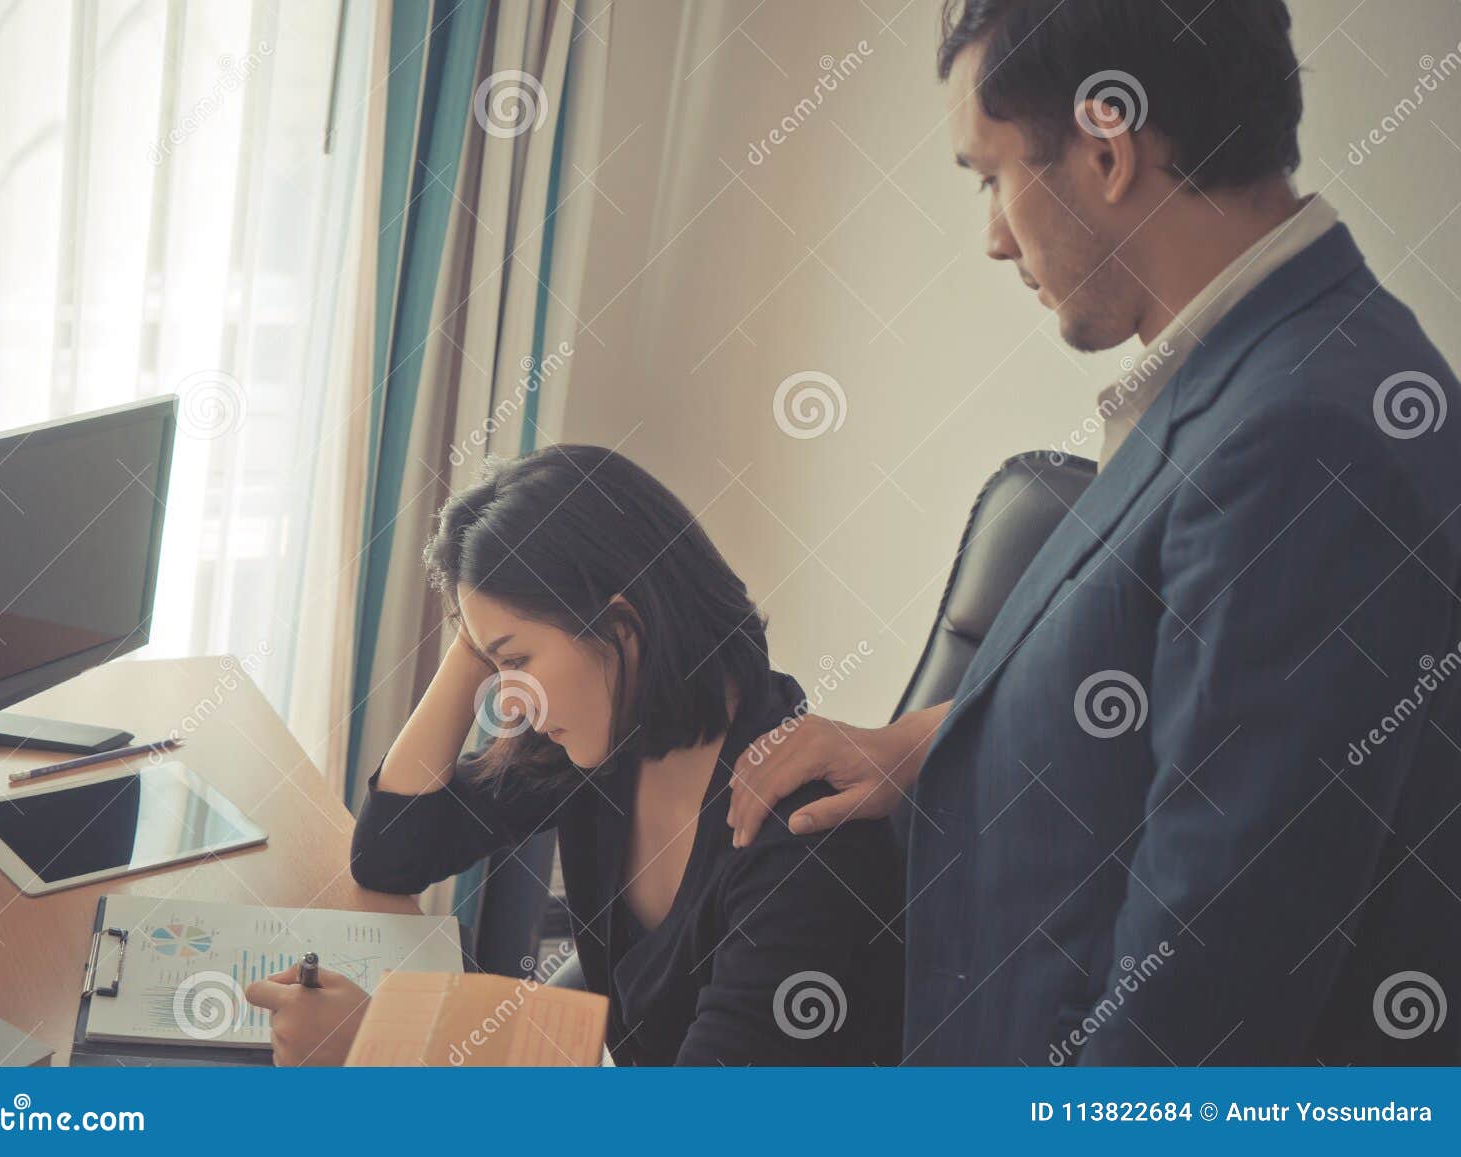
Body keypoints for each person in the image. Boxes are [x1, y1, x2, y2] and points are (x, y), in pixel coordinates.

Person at [729, 0, 1461, 1064]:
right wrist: (928, 745)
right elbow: (1175, 702)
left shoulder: (1302, 438)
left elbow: (1198, 1001)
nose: (992, 236)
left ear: (1108, 149)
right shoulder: (1255, 378)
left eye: (992, 176)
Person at [249, 445, 903, 1066]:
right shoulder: (607, 739)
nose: (508, 701)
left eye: (517, 660)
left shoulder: (803, 842)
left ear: (621, 628)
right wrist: (479, 634)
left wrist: (383, 1049)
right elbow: (392, 852)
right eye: (496, 665)